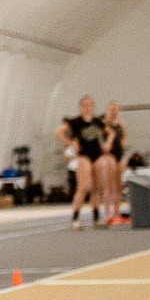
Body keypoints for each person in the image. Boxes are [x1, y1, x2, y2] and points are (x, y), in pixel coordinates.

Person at [58, 96, 107, 229]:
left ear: (93, 106)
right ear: (81, 107)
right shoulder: (76, 122)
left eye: (89, 105)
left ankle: (96, 218)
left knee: (97, 188)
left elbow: (110, 132)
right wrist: (70, 144)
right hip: (84, 155)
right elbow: (59, 132)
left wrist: (107, 144)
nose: (87, 107)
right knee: (83, 187)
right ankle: (75, 218)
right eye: (84, 105)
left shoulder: (97, 121)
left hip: (97, 155)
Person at [95, 101, 128, 227]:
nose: (114, 111)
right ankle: (107, 213)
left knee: (119, 186)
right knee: (108, 185)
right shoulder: (103, 121)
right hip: (109, 154)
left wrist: (123, 143)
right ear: (108, 109)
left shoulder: (120, 122)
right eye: (111, 109)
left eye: (116, 109)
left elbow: (125, 135)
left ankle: (117, 212)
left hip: (119, 154)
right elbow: (98, 136)